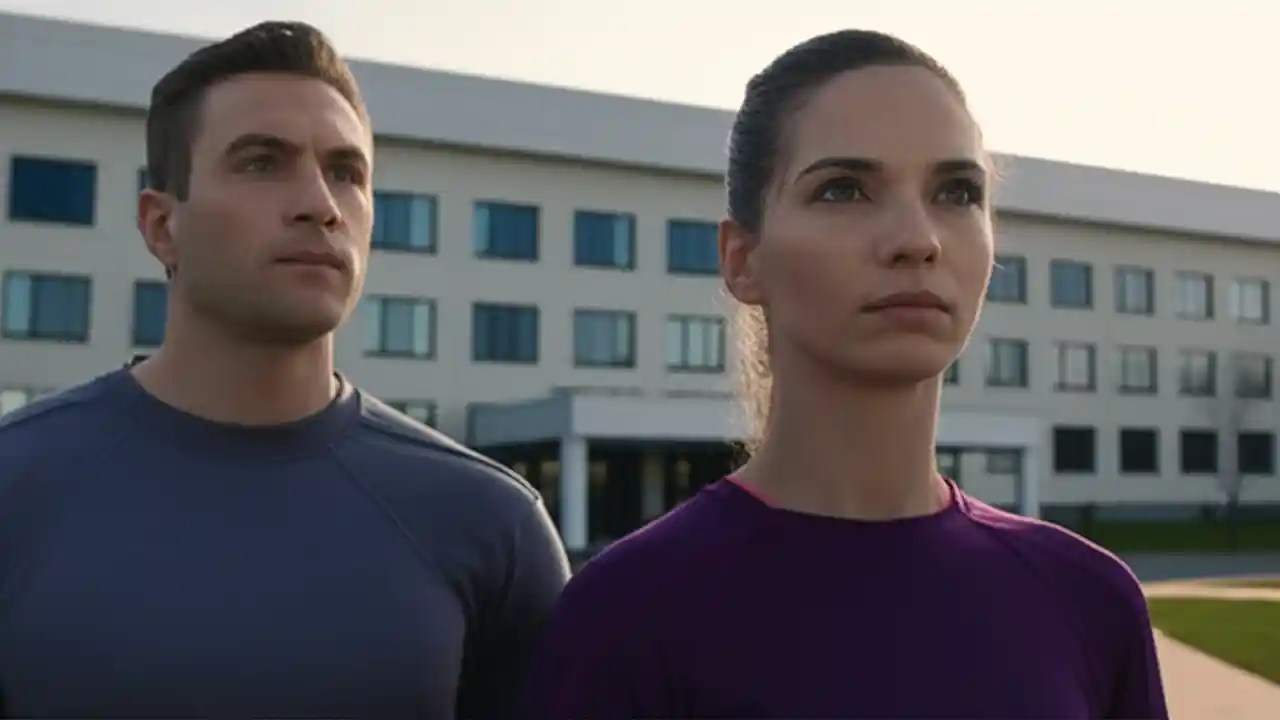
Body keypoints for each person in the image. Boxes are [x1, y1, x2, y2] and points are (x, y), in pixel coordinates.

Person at [517, 29, 1168, 719]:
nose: (918, 240)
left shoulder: (1088, 600)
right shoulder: (628, 615)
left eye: (956, 192)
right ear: (742, 261)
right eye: (844, 190)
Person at [0, 21, 568, 719]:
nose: (320, 206)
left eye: (346, 173)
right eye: (263, 163)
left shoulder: (492, 525)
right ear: (161, 225)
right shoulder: (16, 487)